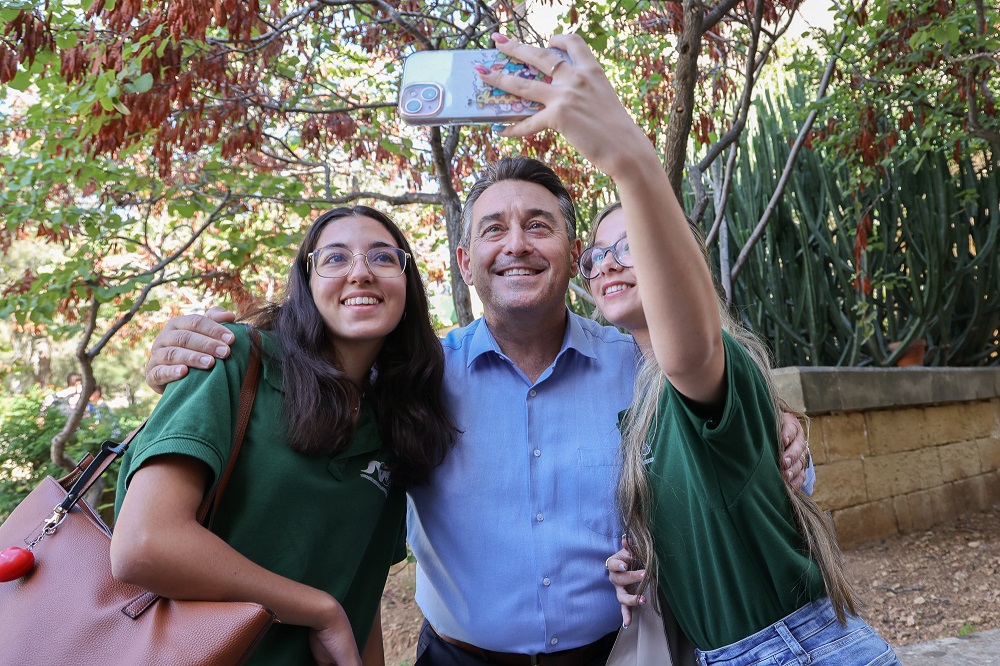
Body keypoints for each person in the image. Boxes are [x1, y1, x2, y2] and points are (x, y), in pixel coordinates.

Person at [142, 92, 814, 666]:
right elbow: (315, 368)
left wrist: (778, 419)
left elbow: (724, 437)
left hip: (613, 655)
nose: (516, 244)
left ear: (573, 254)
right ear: (466, 260)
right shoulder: (407, 381)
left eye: (538, 226)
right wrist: (184, 344)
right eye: (494, 229)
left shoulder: (639, 367)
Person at [479, 34, 899, 664]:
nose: (610, 264)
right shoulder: (641, 394)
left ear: (679, 260)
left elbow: (691, 350)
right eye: (600, 254)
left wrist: (631, 161)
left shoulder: (706, 366)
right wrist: (645, 564)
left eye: (634, 245)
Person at [111, 206, 456, 666]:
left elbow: (361, 593)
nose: (360, 272)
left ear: (407, 285)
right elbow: (144, 543)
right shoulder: (235, 361)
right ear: (306, 283)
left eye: (383, 258)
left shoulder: (398, 424)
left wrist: (340, 618)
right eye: (335, 258)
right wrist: (317, 610)